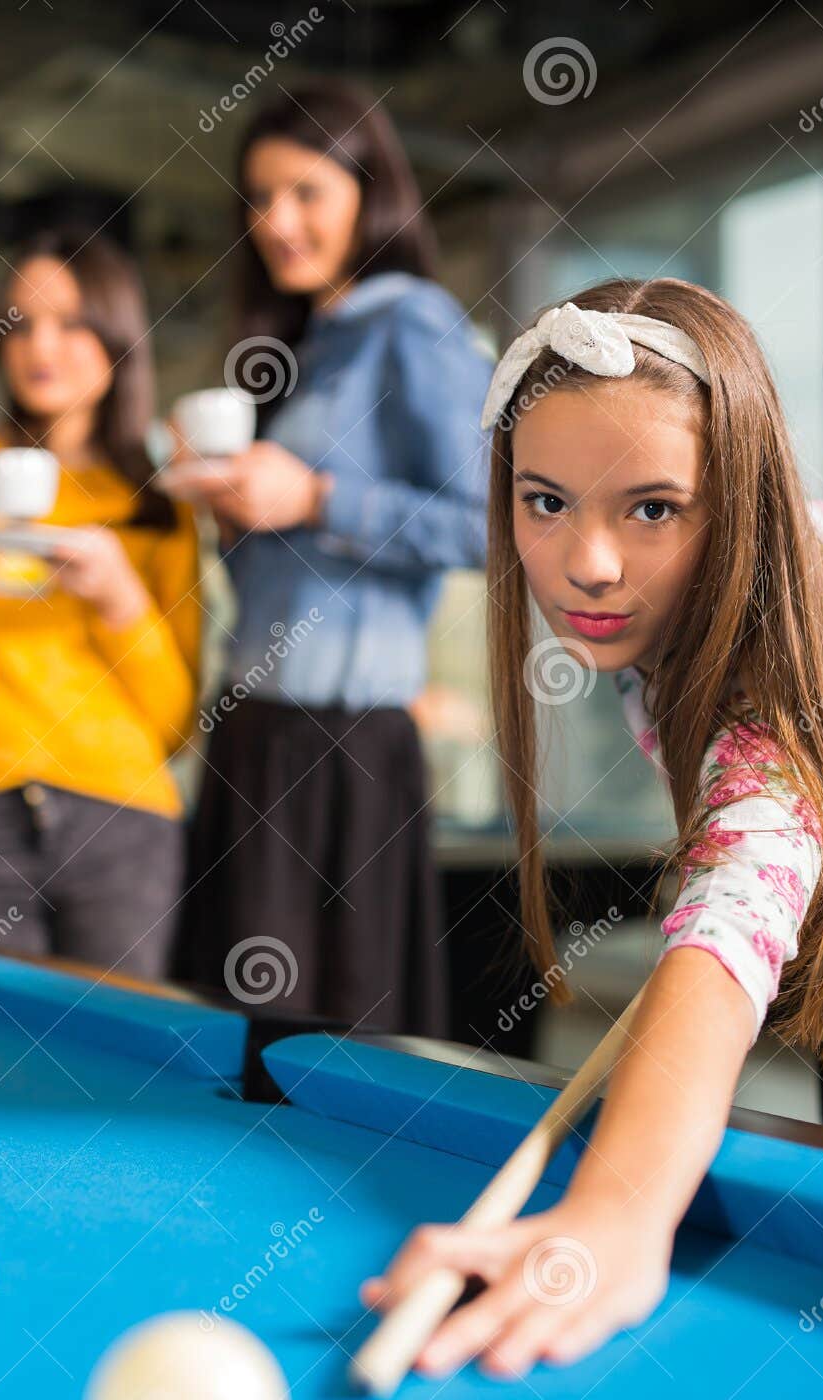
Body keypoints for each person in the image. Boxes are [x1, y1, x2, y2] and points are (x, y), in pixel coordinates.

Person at [361, 276, 823, 1378]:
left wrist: (617, 1214)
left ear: (741, 507)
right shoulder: (780, 573)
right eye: (544, 502)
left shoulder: (768, 709)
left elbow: (729, 927)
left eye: (650, 508)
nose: (587, 562)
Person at [171, 80, 491, 1035]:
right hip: (251, 732)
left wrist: (313, 497)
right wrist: (237, 516)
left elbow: (490, 524)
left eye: (306, 192)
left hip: (346, 752)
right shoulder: (298, 342)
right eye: (260, 199)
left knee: (332, 1049)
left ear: (369, 191)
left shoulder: (414, 322)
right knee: (235, 1039)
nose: (278, 222)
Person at [0, 229, 199, 978]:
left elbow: (176, 726)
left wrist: (121, 599)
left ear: (117, 337)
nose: (37, 345)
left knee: (113, 1077)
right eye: (19, 322)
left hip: (125, 817)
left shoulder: (154, 505)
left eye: (70, 321)